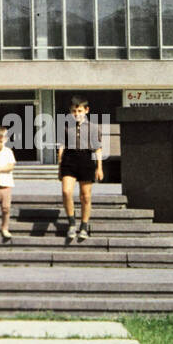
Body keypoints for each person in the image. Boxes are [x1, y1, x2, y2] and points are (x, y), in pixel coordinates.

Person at [58, 96, 103, 245]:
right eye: (74, 111)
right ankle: (72, 222)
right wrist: (60, 165)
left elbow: (98, 148)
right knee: (66, 192)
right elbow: (61, 146)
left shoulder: (93, 127)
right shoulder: (65, 126)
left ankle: (84, 225)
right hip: (69, 160)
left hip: (86, 160)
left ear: (86, 110)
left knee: (85, 196)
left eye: (79, 111)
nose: (76, 114)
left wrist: (99, 167)